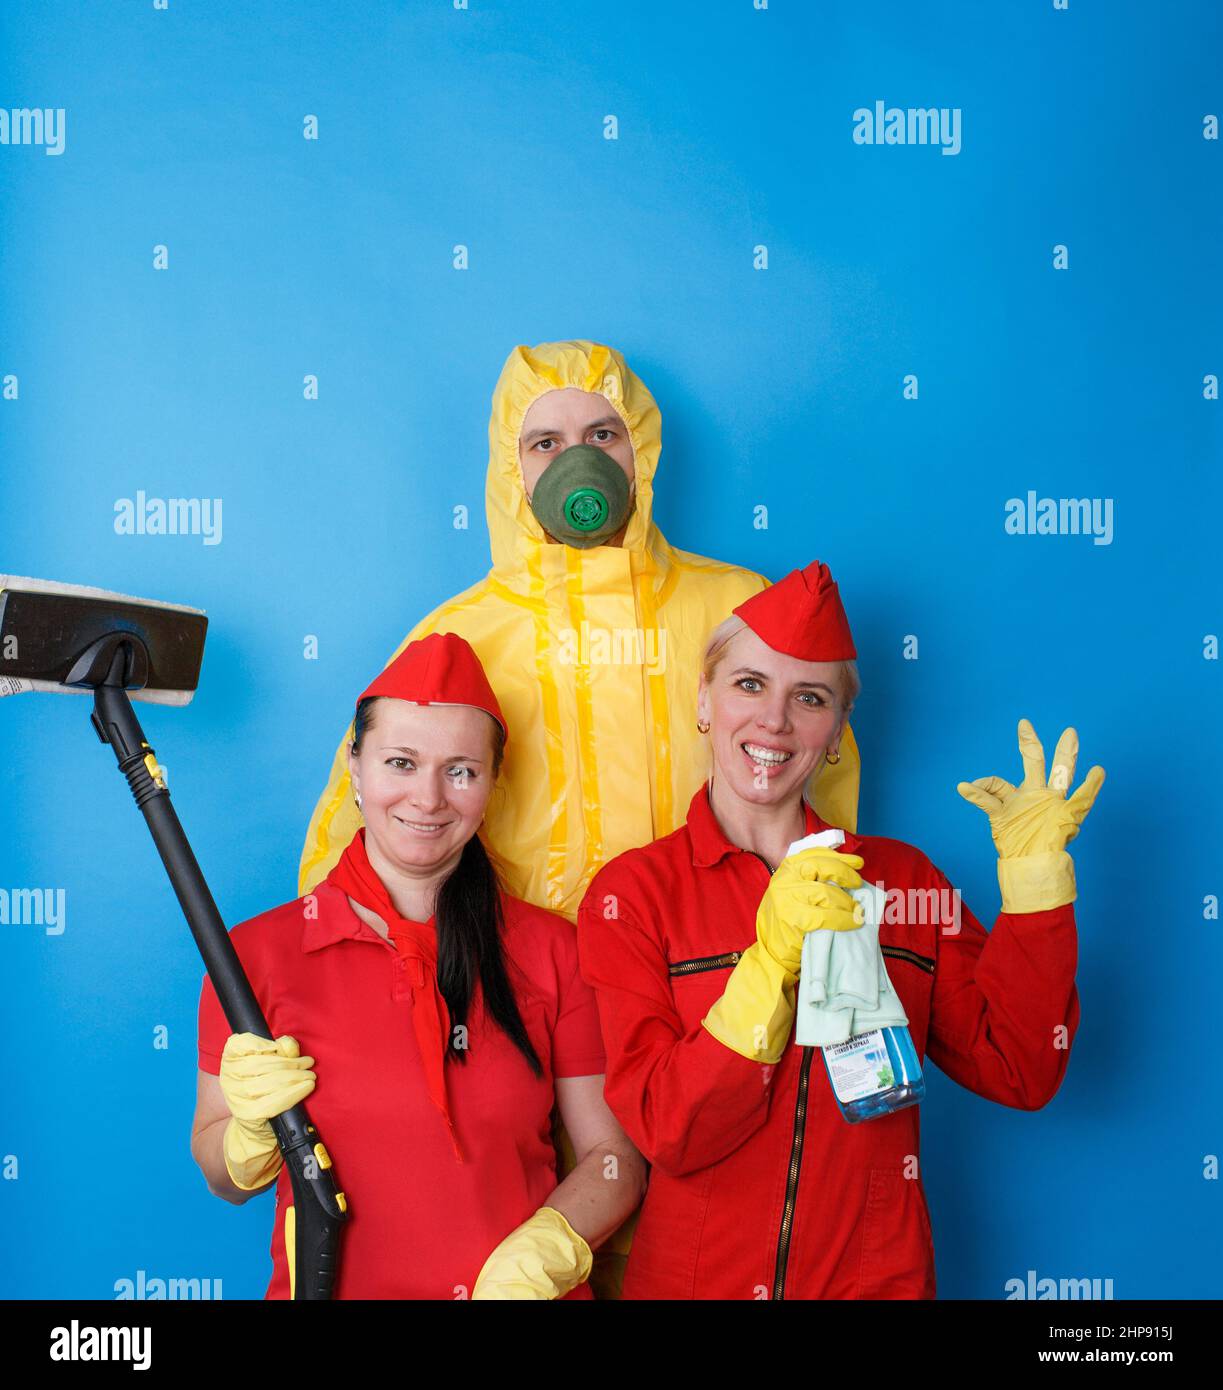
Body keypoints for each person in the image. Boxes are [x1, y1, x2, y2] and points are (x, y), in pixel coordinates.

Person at [576, 560, 1105, 1299]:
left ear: (836, 731)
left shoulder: (903, 884)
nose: (773, 721)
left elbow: (1020, 1068)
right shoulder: (632, 896)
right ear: (703, 700)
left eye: (810, 697)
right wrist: (768, 966)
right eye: (749, 684)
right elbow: (670, 1132)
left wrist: (1036, 889)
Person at [298, 340, 863, 919]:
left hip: (724, 960)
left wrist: (810, 937)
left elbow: (818, 779)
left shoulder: (738, 605)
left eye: (602, 436)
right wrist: (327, 951)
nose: (579, 463)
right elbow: (366, 813)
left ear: (638, 448)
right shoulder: (459, 635)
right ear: (510, 465)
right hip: (533, 984)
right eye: (547, 443)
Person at [190, 632, 646, 1299]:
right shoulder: (255, 957)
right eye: (400, 762)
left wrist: (546, 1253)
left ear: (491, 782)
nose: (428, 799)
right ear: (354, 766)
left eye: (460, 770)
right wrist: (248, 1135)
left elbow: (616, 1162)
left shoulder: (552, 950)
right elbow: (222, 1180)